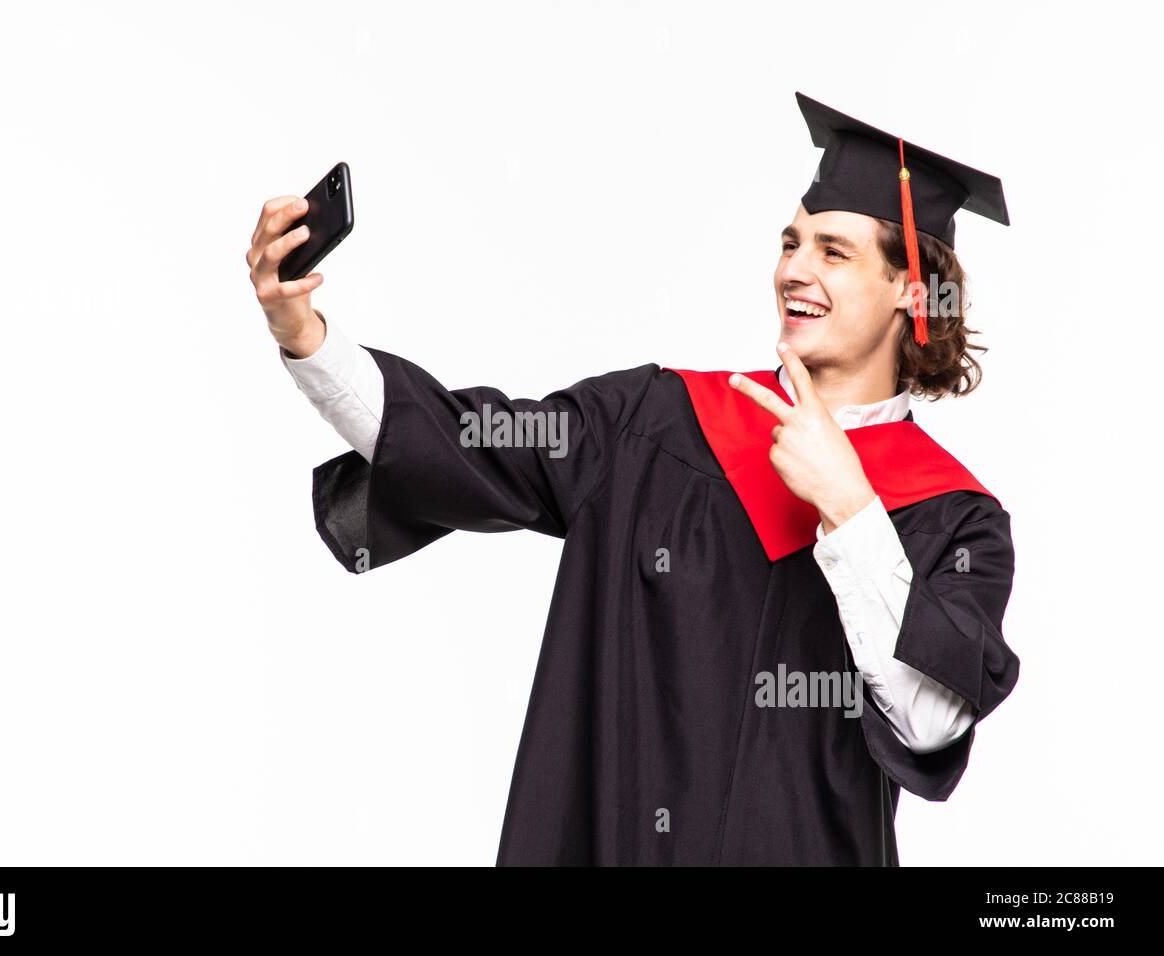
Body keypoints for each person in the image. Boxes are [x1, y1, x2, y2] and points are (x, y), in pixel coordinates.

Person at [244, 93, 1020, 865]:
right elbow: (466, 439)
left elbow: (931, 722)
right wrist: (304, 334)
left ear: (911, 293)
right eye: (791, 243)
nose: (794, 269)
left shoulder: (955, 519)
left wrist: (848, 505)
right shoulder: (657, 421)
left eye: (833, 252)